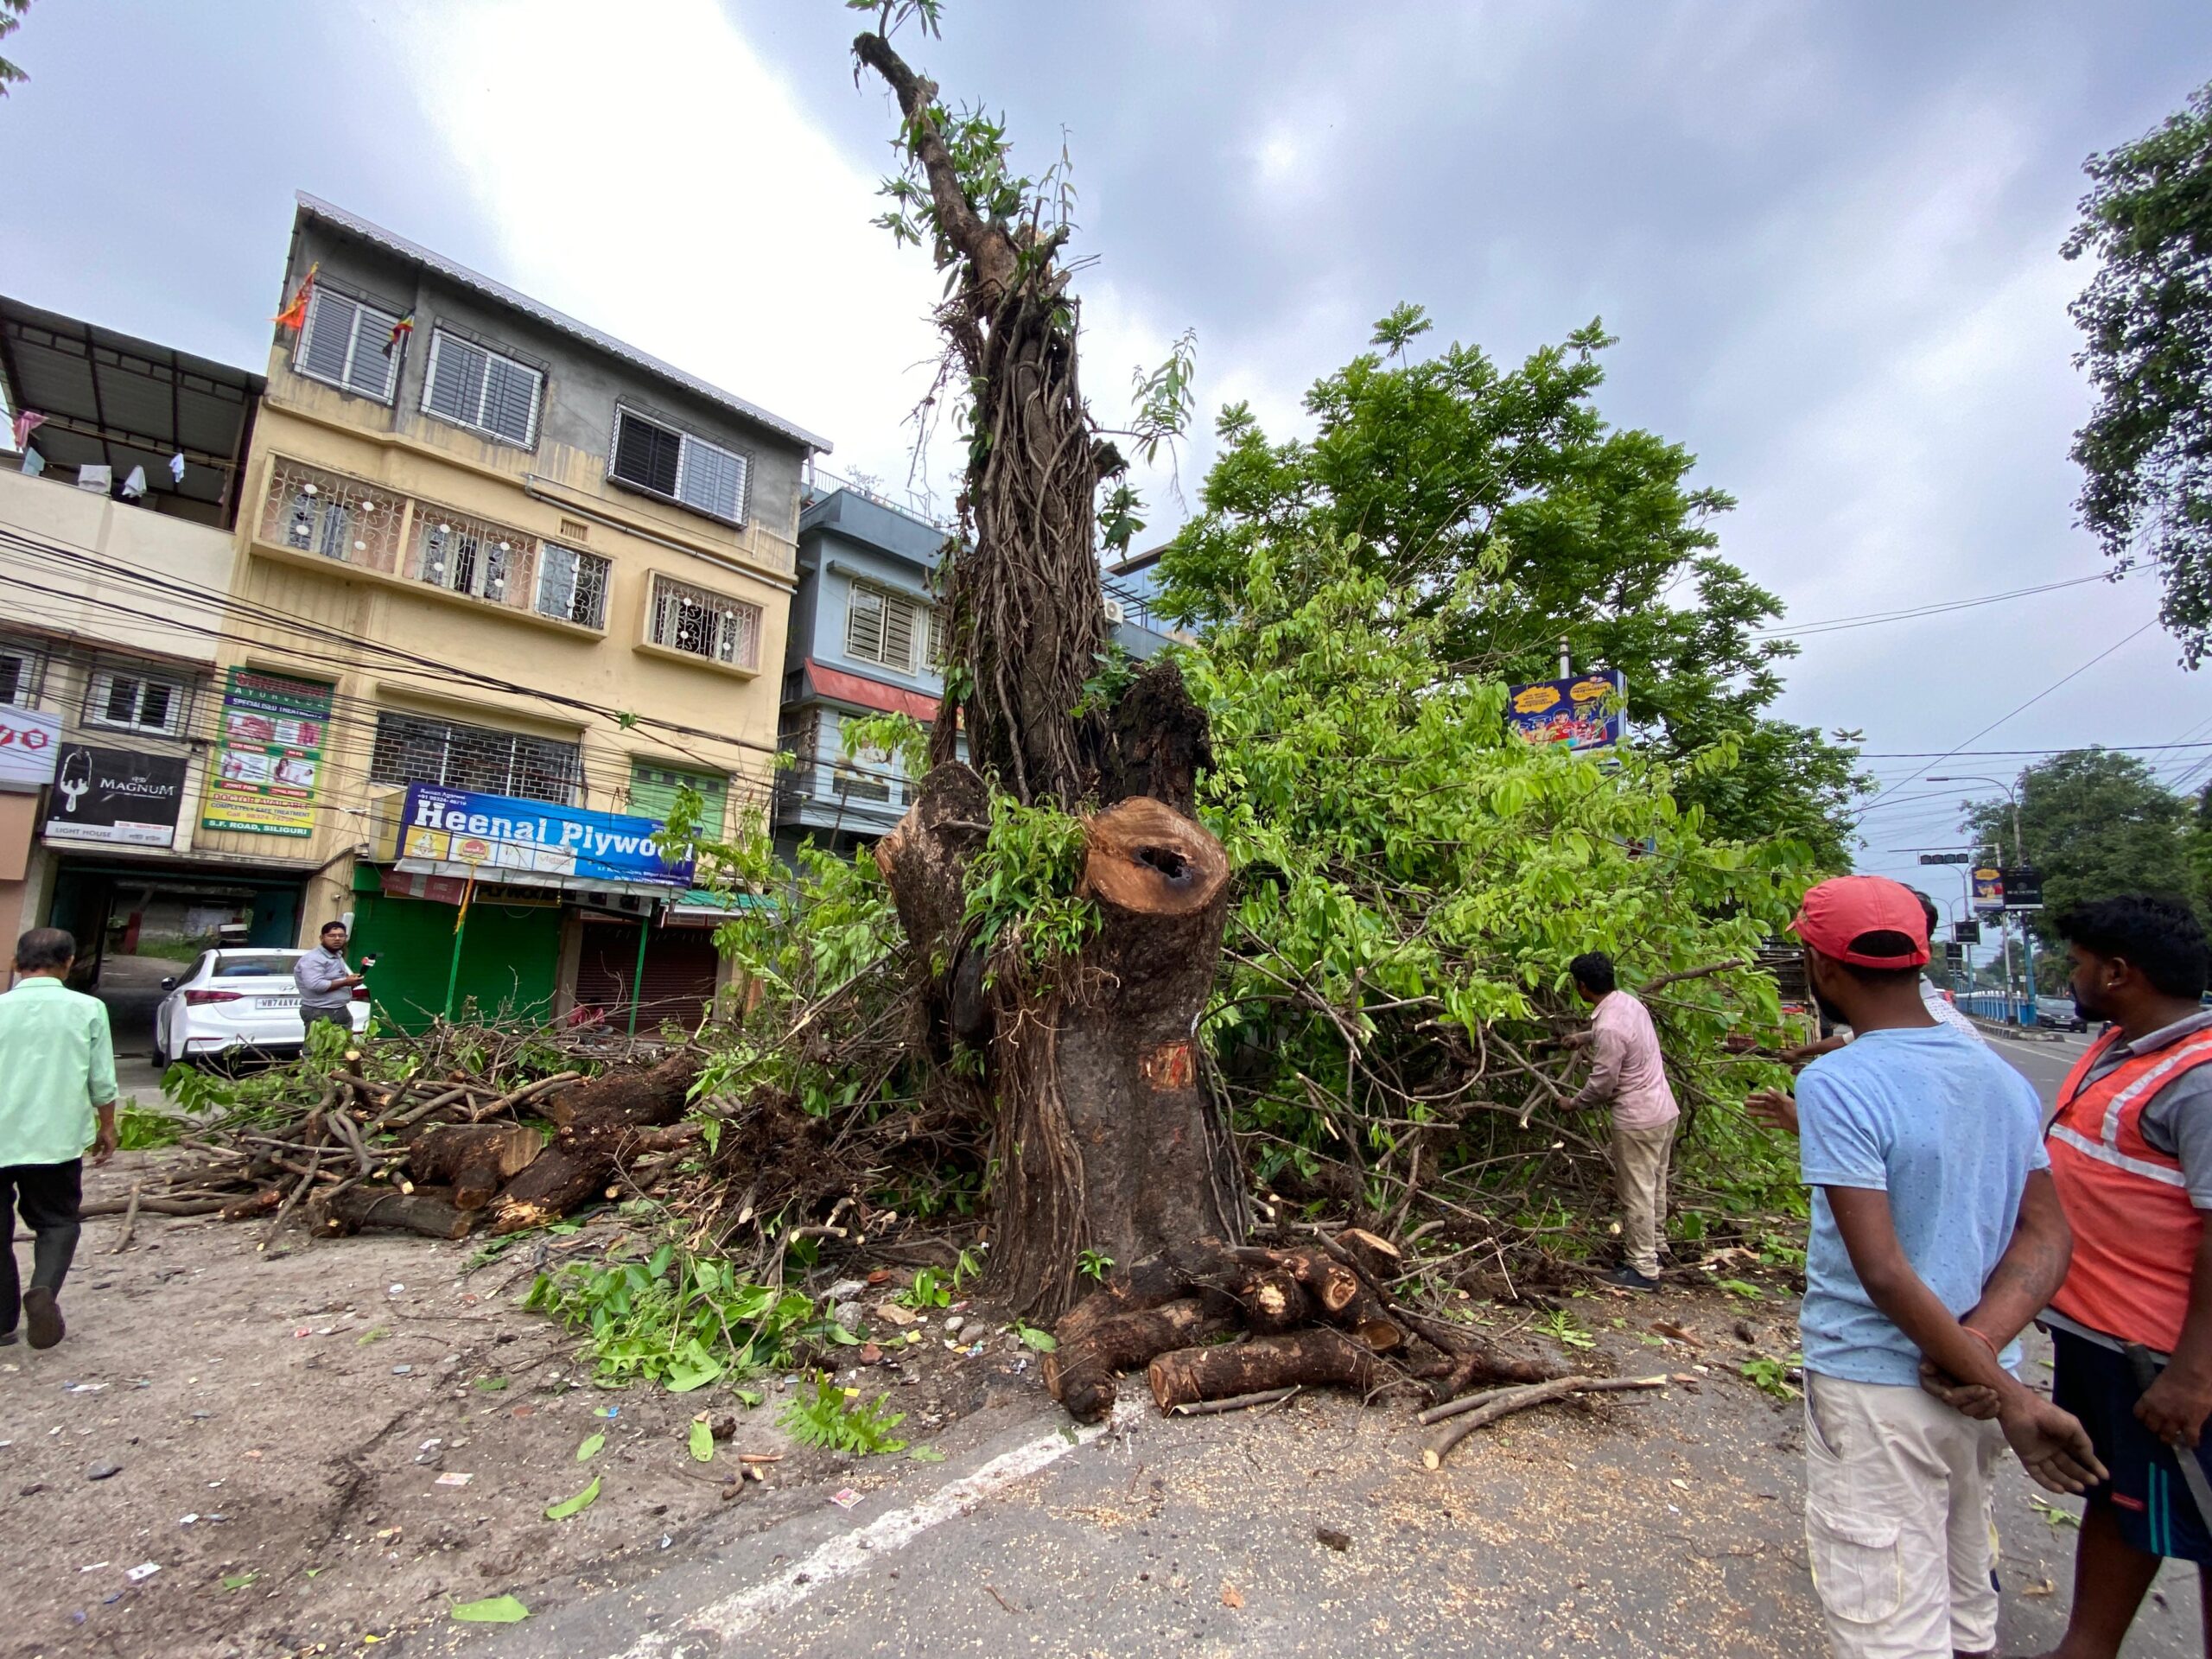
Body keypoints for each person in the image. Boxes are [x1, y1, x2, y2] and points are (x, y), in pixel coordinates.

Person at [1782, 875, 2101, 1659]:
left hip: (1879, 1385)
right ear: (1919, 960)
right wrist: (1987, 1353)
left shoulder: (1839, 1080)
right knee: (1963, 1606)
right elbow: (2046, 1236)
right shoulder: (1995, 1075)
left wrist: (2008, 1396)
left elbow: (1883, 1273)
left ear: (1821, 967)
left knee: (1885, 1623)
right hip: (1975, 1390)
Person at [2025, 894, 2212, 1659]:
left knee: (2196, 1514)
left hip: (2164, 1353)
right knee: (2116, 1495)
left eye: (2075, 963)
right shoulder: (2123, 1048)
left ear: (2117, 971)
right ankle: (2087, 1645)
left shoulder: (2198, 1079)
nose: (2071, 974)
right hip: (2107, 1337)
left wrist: (2195, 1373)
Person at [0, 928, 119, 1351]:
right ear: (69, 963)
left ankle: (2, 1324)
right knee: (57, 1222)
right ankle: (44, 1291)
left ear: (16, 964)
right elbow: (102, 1081)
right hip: (55, 1139)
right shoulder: (87, 1009)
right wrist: (107, 1126)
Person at [1564, 950, 1680, 1291]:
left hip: (1638, 1119)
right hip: (1663, 1110)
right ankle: (1656, 1247)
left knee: (1637, 1192)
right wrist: (1584, 1037)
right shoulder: (1627, 1003)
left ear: (1582, 986)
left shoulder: (1610, 1025)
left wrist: (1573, 1103)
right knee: (1655, 1184)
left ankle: (1643, 1269)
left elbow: (1602, 1083)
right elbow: (1620, 1036)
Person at [294, 920, 362, 1042]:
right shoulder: (314, 959)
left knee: (342, 1050)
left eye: (341, 936)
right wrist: (346, 982)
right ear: (322, 938)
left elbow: (337, 981)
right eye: (331, 936)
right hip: (319, 1011)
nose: (337, 939)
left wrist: (352, 983)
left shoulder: (337, 955)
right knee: (317, 1050)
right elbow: (316, 985)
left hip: (340, 1009)